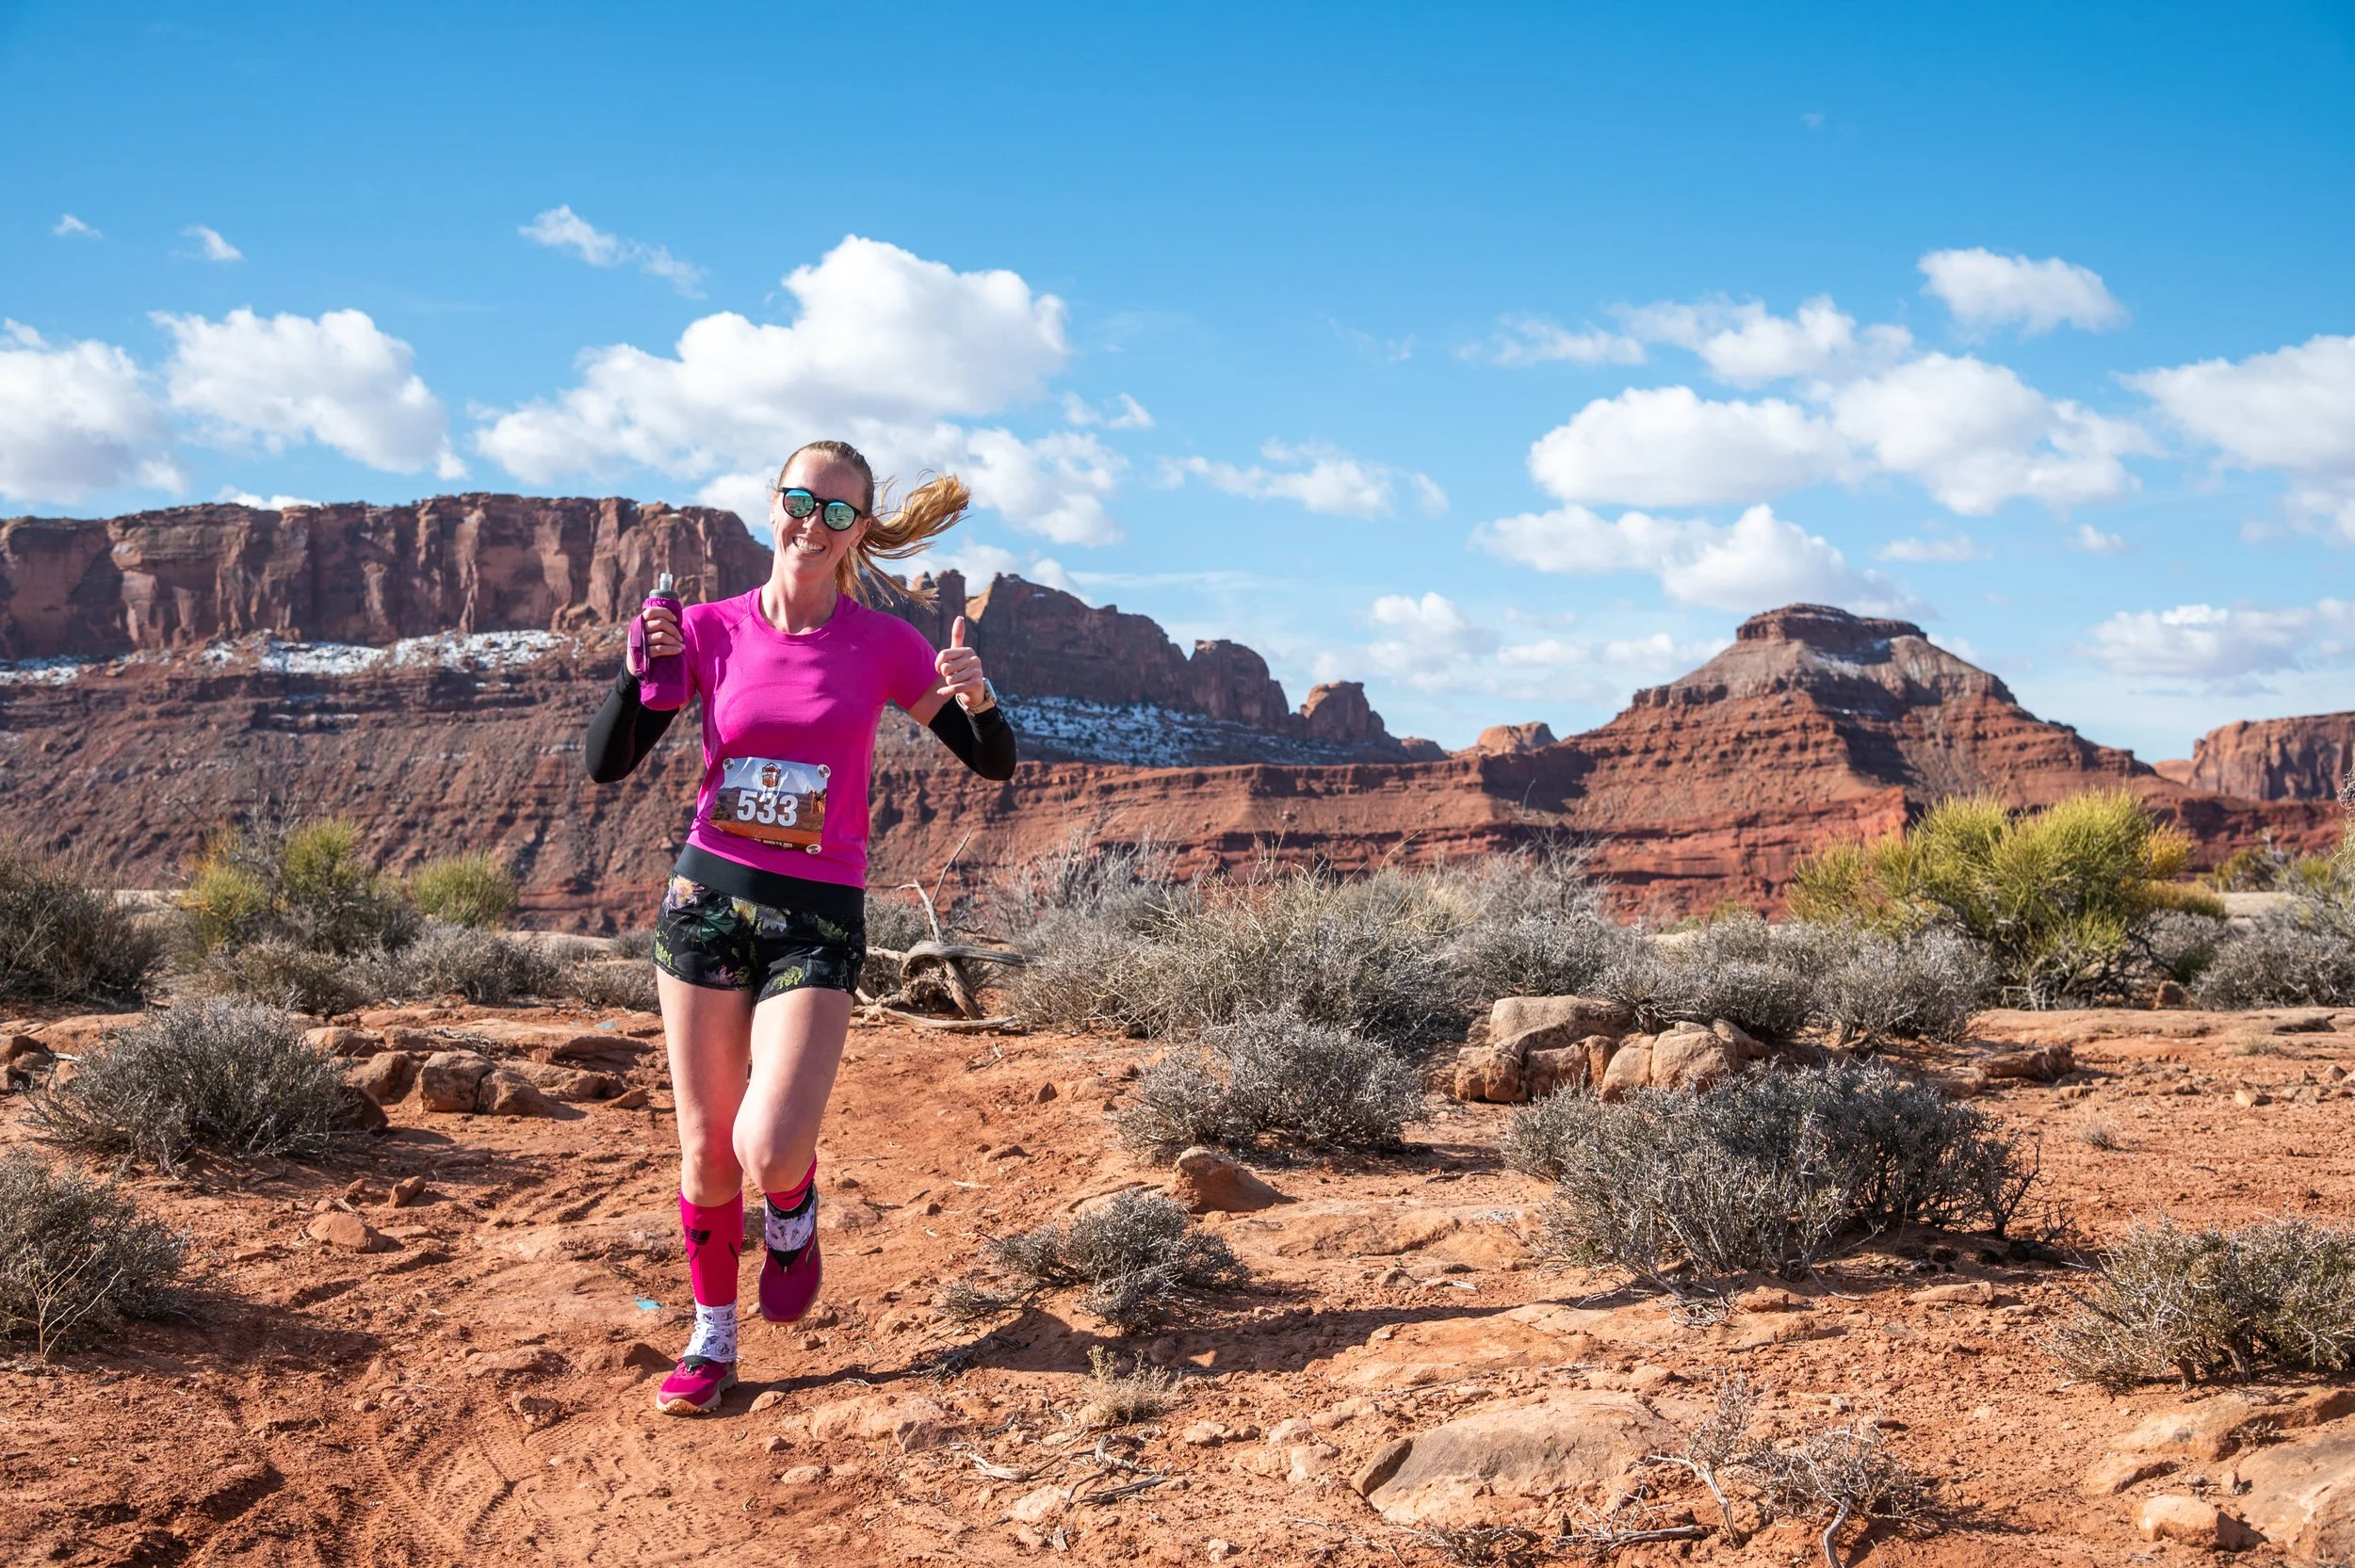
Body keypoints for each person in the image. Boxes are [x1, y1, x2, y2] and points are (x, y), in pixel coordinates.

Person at [584, 440, 1016, 1414]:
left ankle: (792, 1209)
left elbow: (989, 763)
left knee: (770, 1144)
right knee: (704, 1148)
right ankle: (712, 1339)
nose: (809, 527)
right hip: (705, 905)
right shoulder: (706, 629)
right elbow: (609, 762)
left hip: (816, 918)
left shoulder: (886, 647)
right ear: (774, 505)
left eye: (835, 513)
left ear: (860, 531)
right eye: (797, 503)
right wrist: (632, 673)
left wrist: (981, 701)